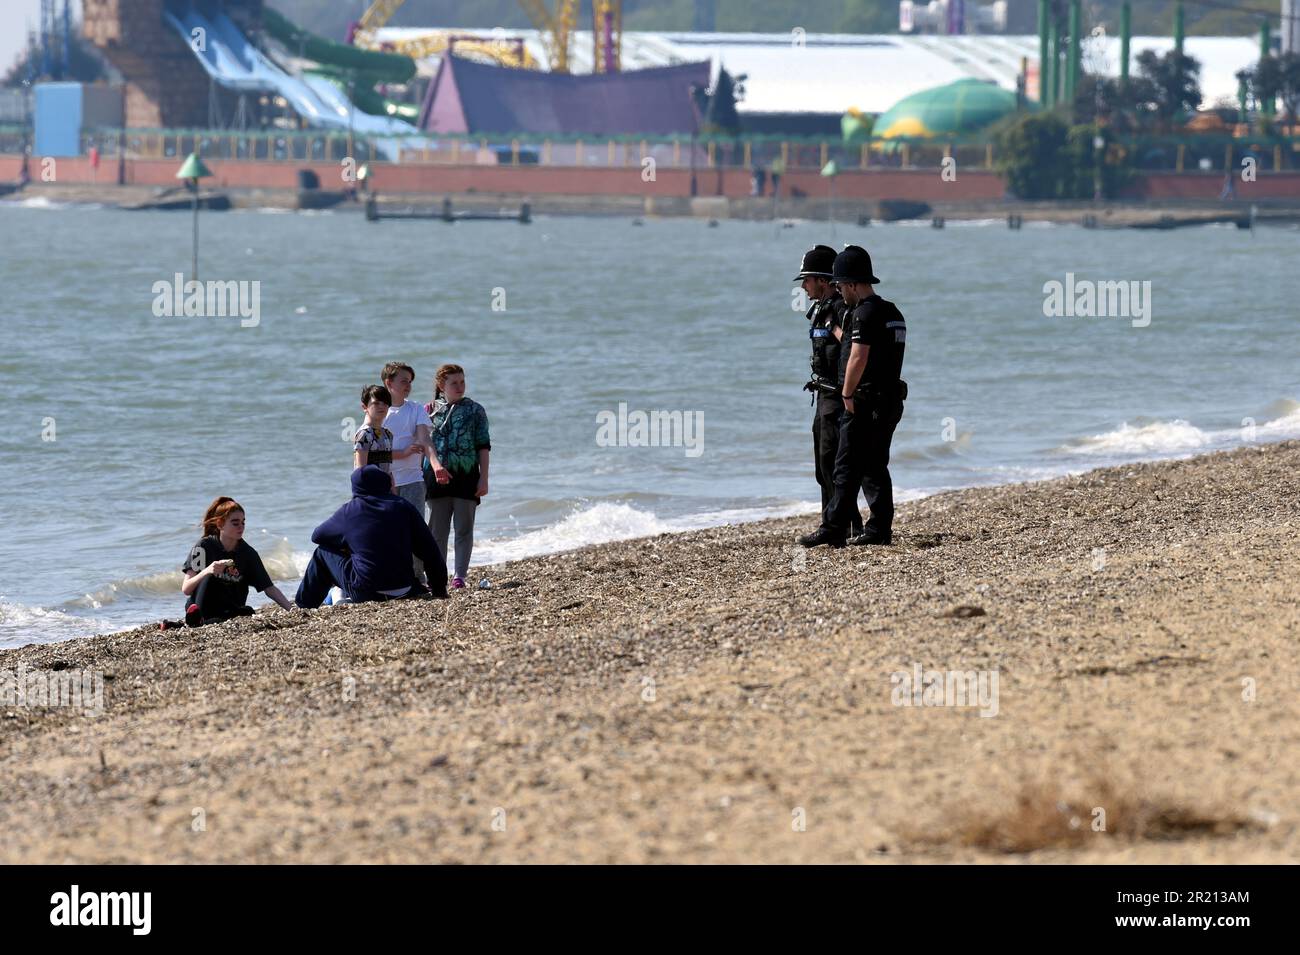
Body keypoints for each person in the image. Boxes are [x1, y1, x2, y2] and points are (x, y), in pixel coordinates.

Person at [799, 246, 907, 548]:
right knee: (872, 465)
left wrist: (846, 392)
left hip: (863, 399)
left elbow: (858, 356)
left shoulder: (864, 313)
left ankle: (840, 527)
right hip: (886, 398)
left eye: (841, 284)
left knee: (845, 466)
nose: (839, 290)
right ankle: (874, 528)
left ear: (850, 283)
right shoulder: (892, 312)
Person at [295, 465, 447, 607]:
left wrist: (348, 544)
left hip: (367, 592)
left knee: (323, 552)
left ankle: (304, 605)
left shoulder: (350, 510)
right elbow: (430, 550)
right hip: (405, 588)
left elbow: (317, 536)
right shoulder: (403, 506)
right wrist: (439, 590)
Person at [796, 244, 863, 537]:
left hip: (836, 397)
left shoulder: (839, 310)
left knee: (832, 463)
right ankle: (838, 523)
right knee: (824, 466)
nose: (803, 285)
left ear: (823, 280)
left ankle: (840, 526)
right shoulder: (822, 309)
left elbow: (850, 348)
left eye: (807, 278)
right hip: (824, 395)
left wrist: (845, 392)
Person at [423, 364, 491, 590]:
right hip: (436, 477)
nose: (460, 386)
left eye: (462, 382)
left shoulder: (475, 410)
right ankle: (437, 576)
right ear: (442, 386)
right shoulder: (428, 410)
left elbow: (483, 446)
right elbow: (422, 444)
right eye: (454, 383)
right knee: (437, 531)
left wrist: (484, 478)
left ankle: (459, 576)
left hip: (466, 475)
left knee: (464, 528)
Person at [178, 497, 293, 627]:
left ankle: (189, 625)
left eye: (243, 522)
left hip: (230, 610)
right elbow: (186, 589)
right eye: (235, 523)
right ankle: (197, 619)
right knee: (210, 576)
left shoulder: (248, 553)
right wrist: (207, 571)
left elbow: (269, 588)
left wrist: (292, 610)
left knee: (247, 612)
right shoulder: (203, 546)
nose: (241, 527)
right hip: (201, 609)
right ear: (220, 524)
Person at [380, 361, 434, 581]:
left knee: (415, 530)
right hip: (385, 482)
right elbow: (368, 453)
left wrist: (435, 462)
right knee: (388, 532)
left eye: (410, 382)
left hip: (413, 480)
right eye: (403, 381)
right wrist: (400, 454)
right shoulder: (379, 413)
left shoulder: (416, 409)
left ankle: (417, 578)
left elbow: (424, 438)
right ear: (389, 383)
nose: (408, 385)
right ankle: (392, 578)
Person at [353, 384, 394, 476]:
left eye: (385, 403)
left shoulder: (387, 434)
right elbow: (361, 472)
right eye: (376, 403)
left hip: (385, 488)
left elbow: (389, 469)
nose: (381, 406)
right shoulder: (364, 434)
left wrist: (393, 489)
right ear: (364, 407)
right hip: (369, 488)